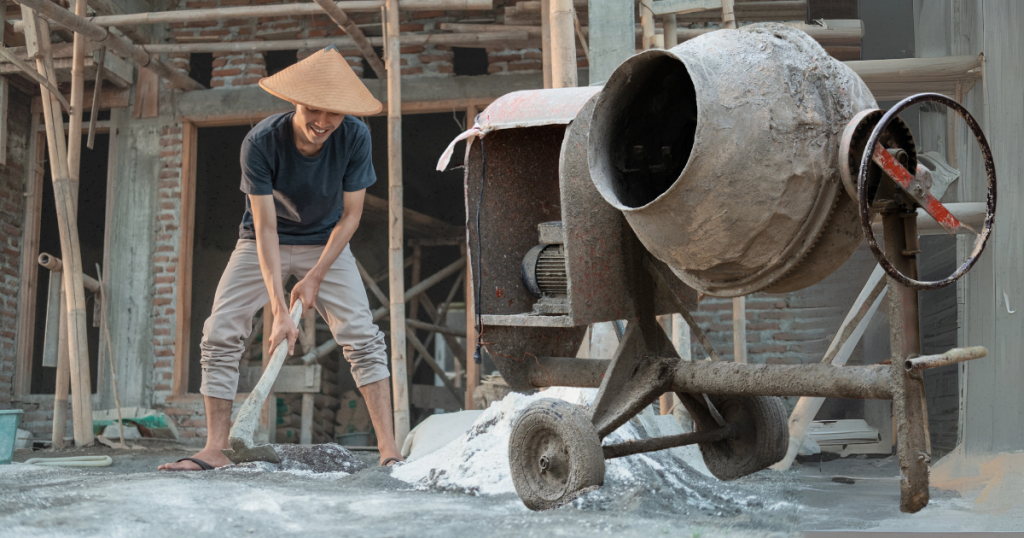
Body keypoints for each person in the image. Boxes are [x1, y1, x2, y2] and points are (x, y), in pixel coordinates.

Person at [159, 46, 403, 470]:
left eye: (334, 113)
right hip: (261, 242)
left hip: (326, 242)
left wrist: (314, 277)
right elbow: (266, 228)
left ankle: (389, 451)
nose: (323, 122)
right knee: (219, 332)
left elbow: (351, 218)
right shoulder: (260, 142)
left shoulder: (355, 137)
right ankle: (215, 448)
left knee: (362, 336)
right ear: (295, 102)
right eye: (313, 109)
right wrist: (278, 307)